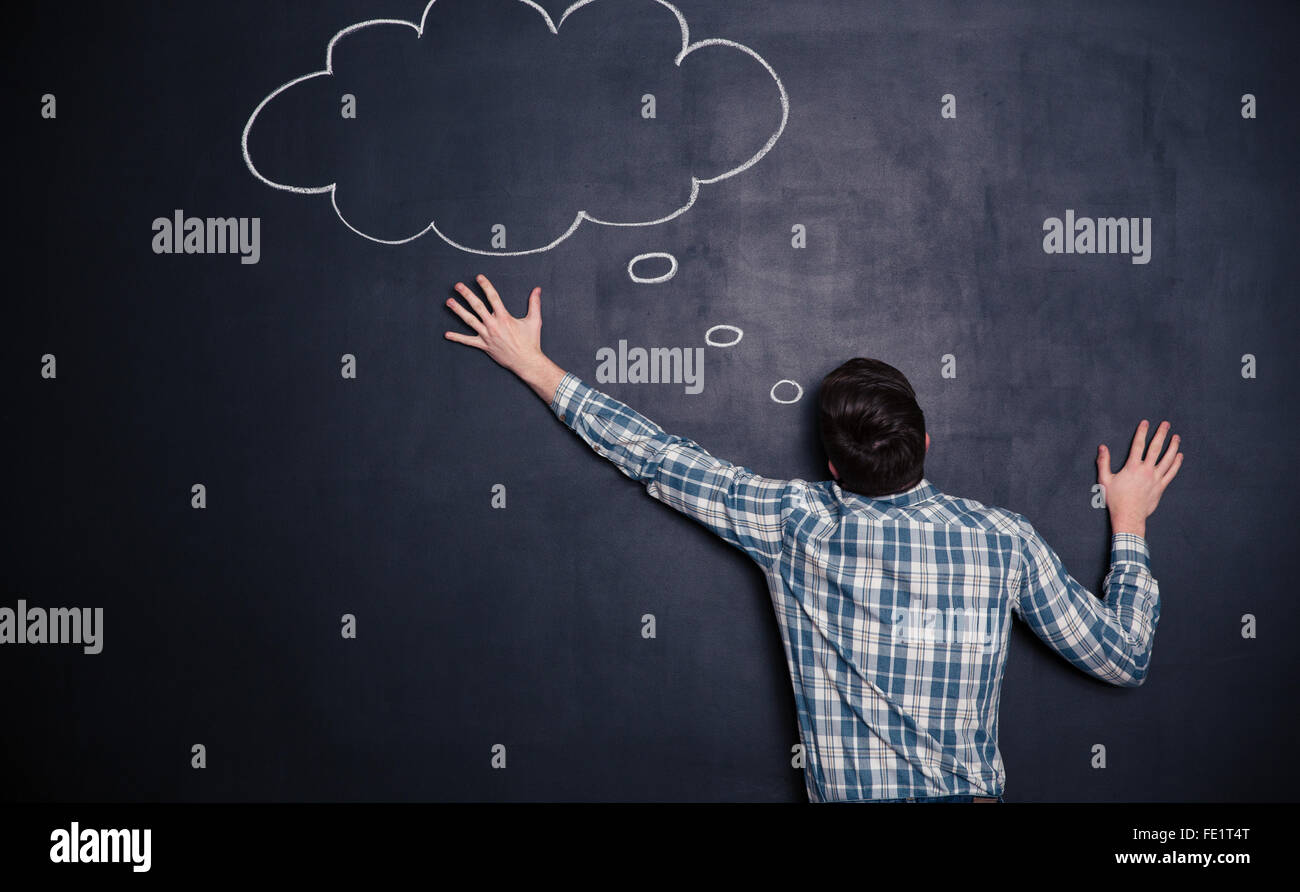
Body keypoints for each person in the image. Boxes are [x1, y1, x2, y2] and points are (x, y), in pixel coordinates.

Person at [444, 275, 1183, 803]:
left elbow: (657, 457)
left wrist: (533, 363)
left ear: (831, 466)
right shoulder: (1003, 541)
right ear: (927, 439)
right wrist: (1129, 524)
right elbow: (1124, 658)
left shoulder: (793, 522)